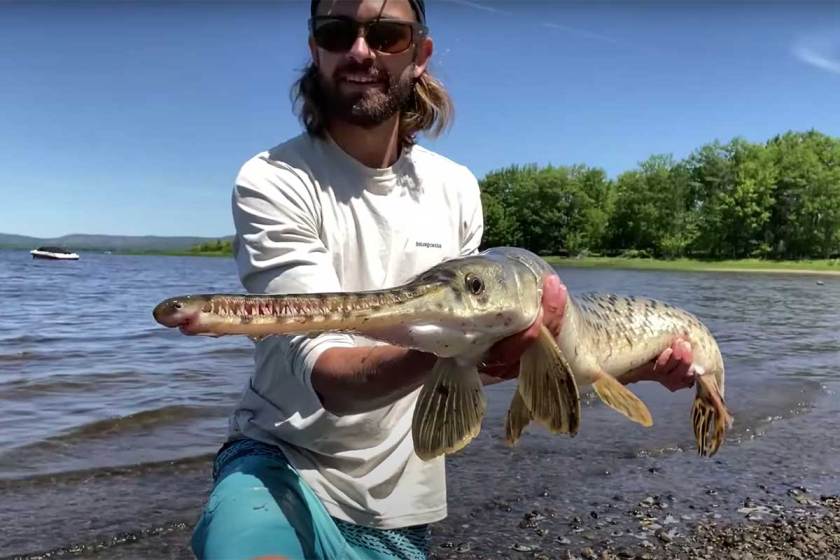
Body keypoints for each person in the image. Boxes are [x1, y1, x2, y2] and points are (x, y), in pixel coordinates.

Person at [190, 1, 696, 559]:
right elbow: (328, 375)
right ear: (315, 49)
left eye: (386, 34)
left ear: (420, 53)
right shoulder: (272, 179)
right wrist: (448, 348)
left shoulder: (455, 187)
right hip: (277, 465)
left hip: (404, 505)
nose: (360, 51)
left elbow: (474, 361)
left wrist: (627, 366)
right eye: (336, 32)